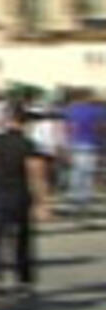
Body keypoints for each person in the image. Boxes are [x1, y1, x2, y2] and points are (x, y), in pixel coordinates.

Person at [0, 102, 52, 299]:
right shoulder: (29, 144)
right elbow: (36, 173)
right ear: (25, 123)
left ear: (7, 120)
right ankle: (23, 280)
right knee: (21, 239)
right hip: (20, 194)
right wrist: (42, 202)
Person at [63, 89, 104, 219]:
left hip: (75, 144)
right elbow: (101, 128)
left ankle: (75, 201)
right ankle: (84, 203)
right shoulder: (97, 111)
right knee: (87, 174)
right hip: (91, 144)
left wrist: (67, 145)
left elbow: (68, 128)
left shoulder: (71, 110)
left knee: (76, 173)